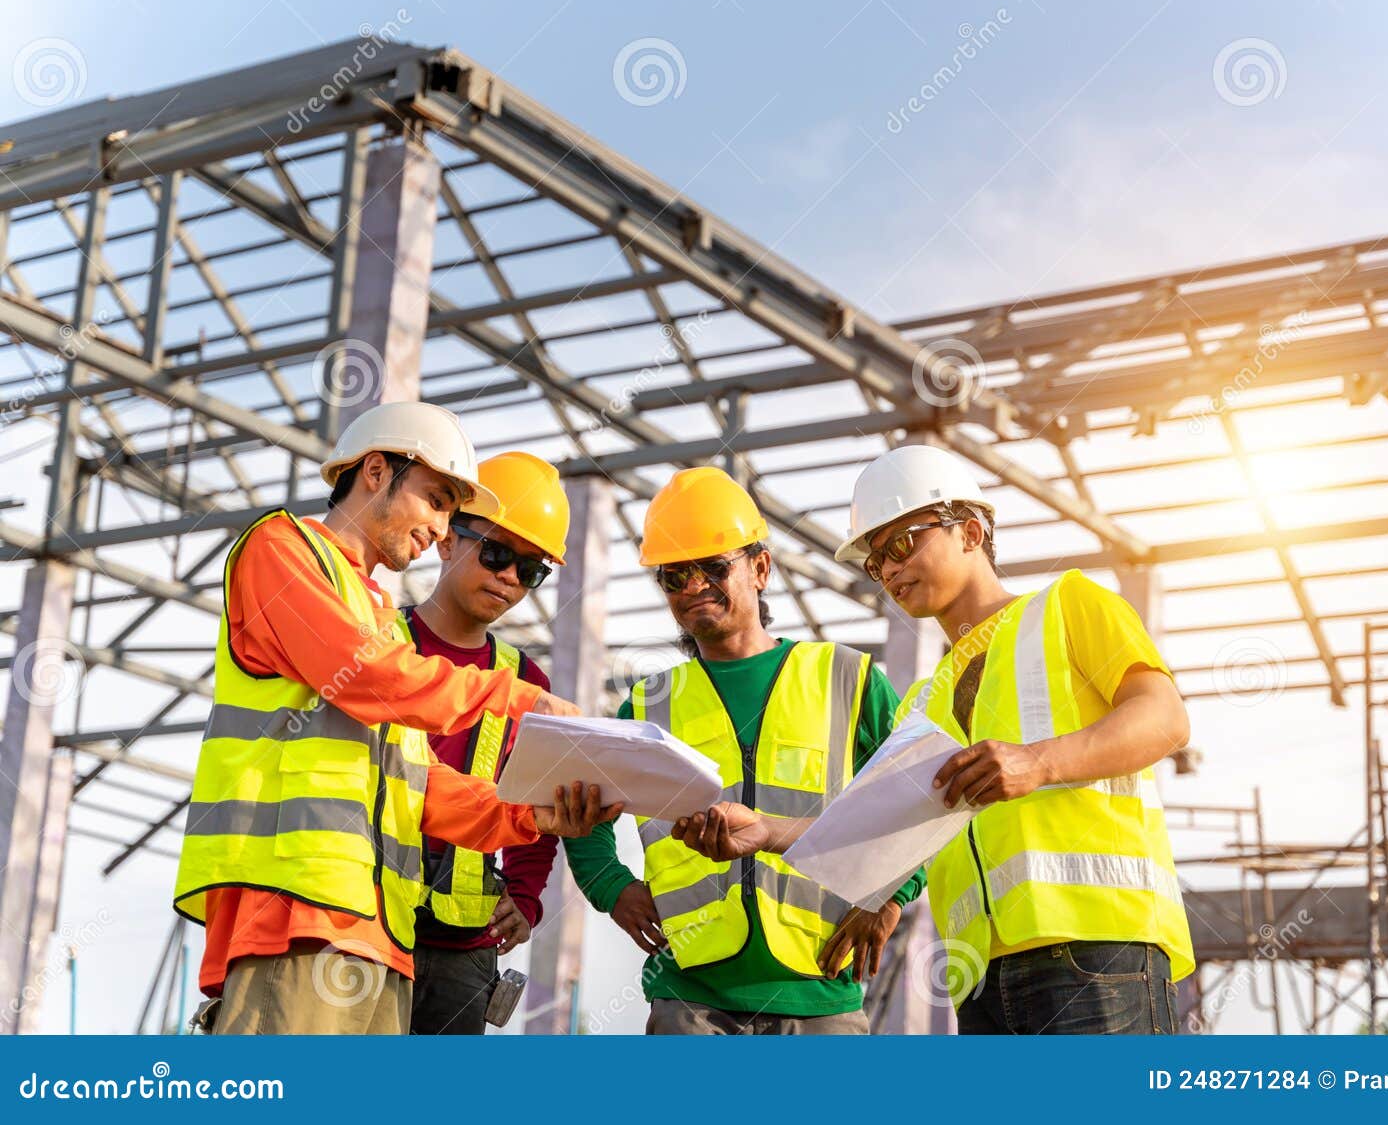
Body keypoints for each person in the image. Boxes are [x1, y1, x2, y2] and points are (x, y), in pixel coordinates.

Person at [173, 401, 618, 1035]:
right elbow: (366, 675)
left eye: (448, 511)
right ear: (376, 471)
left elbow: (418, 786)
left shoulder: (379, 619)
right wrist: (515, 696)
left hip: (382, 937)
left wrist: (530, 818)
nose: (440, 528)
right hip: (294, 920)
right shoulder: (282, 550)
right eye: (436, 501)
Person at [835, 443, 1194, 1035]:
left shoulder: (1068, 605)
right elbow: (908, 823)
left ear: (971, 533)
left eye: (901, 544)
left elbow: (1165, 717)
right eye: (876, 563)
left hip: (1097, 950)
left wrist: (1040, 762)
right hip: (979, 975)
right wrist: (887, 894)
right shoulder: (922, 700)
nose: (890, 571)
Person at [563, 466, 923, 1035]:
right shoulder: (650, 703)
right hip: (690, 998)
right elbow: (581, 806)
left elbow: (918, 795)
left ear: (760, 568)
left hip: (820, 991)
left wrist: (893, 893)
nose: (693, 587)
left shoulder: (846, 679)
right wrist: (611, 887)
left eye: (713, 567)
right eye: (674, 576)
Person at [400, 451, 570, 1035]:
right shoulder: (381, 645)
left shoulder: (529, 683)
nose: (510, 578)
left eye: (531, 570)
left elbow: (538, 805)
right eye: (496, 554)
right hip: (366, 926)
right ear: (447, 538)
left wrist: (525, 896)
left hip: (465, 946)